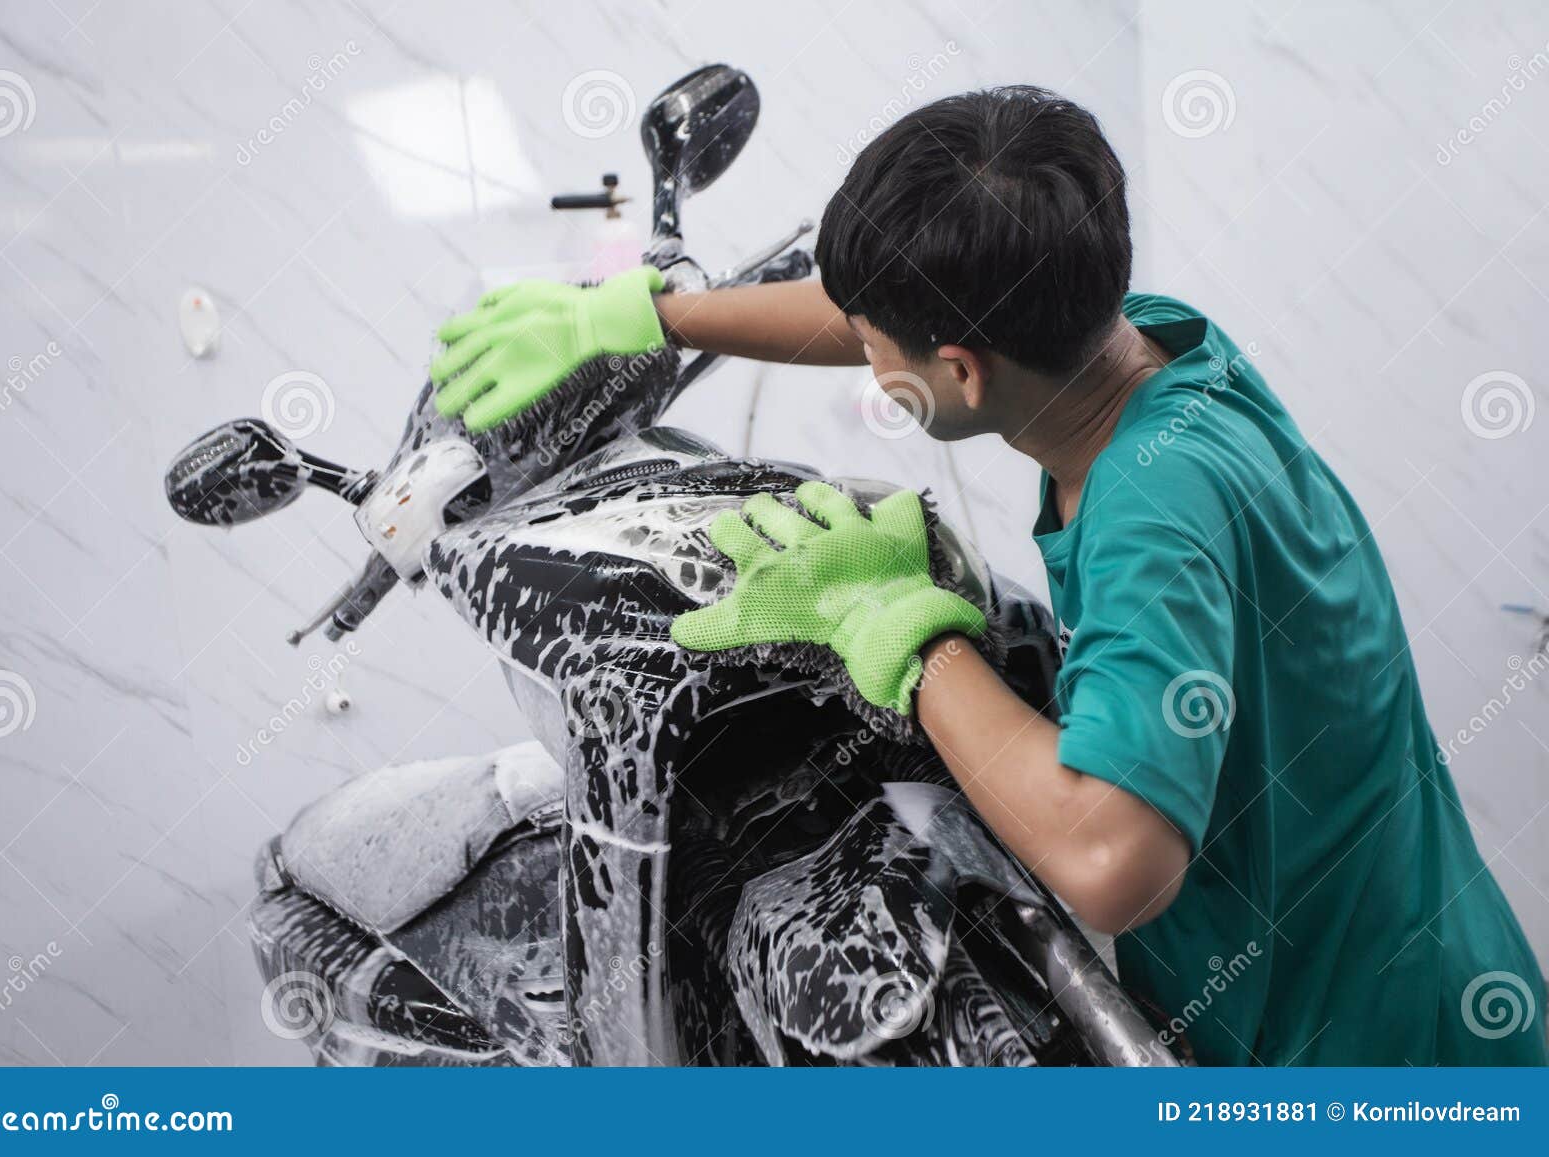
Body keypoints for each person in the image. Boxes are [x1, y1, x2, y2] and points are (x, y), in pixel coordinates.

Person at [427, 86, 1546, 1066]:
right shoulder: (1140, 352)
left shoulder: (1149, 511)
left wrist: (899, 629)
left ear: (959, 371)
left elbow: (1114, 862)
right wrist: (646, 316)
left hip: (1353, 1052)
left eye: (879, 349)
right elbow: (892, 313)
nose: (865, 355)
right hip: (1412, 961)